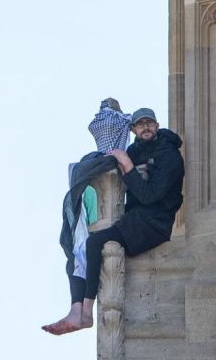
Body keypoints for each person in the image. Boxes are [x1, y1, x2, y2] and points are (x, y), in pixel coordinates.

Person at [42, 108, 185, 335]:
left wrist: (127, 166)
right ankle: (75, 308)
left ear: (157, 126)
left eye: (149, 123)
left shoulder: (170, 155)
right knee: (78, 245)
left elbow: (149, 196)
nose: (145, 127)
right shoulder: (134, 150)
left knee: (95, 243)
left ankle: (86, 313)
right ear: (133, 129)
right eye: (140, 124)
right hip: (136, 218)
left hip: (156, 222)